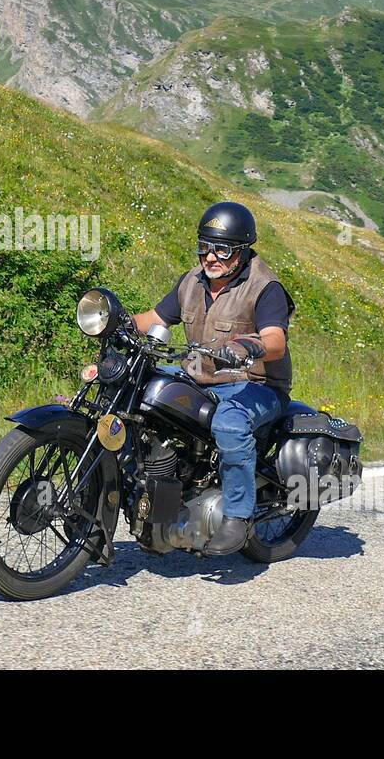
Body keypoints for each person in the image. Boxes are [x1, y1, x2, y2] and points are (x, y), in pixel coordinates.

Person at [132, 201, 295, 555]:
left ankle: (238, 516)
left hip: (256, 385)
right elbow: (153, 318)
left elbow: (275, 342)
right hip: (201, 377)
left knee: (229, 425)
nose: (210, 257)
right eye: (205, 247)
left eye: (221, 249)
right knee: (143, 392)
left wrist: (244, 347)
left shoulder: (265, 287)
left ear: (242, 250)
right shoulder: (192, 282)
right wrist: (114, 322)